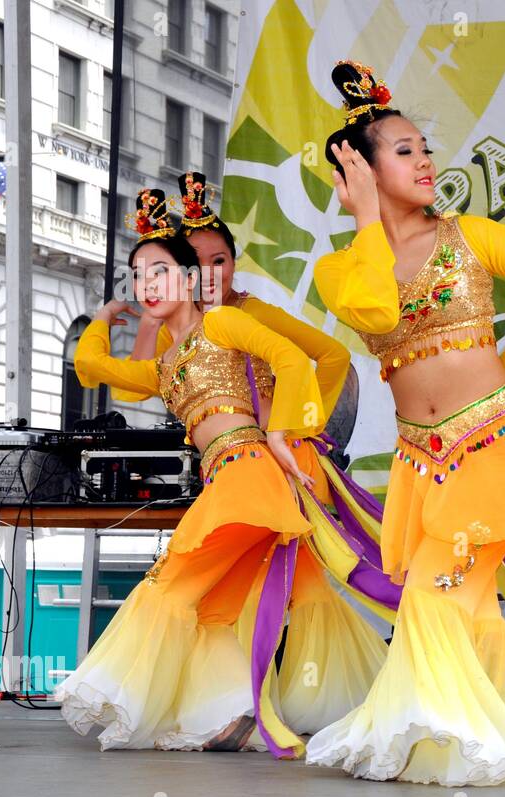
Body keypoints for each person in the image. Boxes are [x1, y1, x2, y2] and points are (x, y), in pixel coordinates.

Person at [303, 60, 505, 785]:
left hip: (497, 442)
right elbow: (380, 312)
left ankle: (450, 738)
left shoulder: (471, 234)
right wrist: (362, 219)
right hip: (422, 460)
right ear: (358, 166)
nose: (425, 161)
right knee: (467, 603)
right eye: (404, 150)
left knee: (434, 595)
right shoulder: (342, 268)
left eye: (425, 147)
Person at [56, 189, 324, 756]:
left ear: (188, 277)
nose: (146, 284)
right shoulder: (166, 364)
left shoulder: (224, 324)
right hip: (227, 483)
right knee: (211, 609)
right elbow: (90, 366)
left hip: (250, 476)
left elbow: (294, 358)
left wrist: (280, 431)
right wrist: (104, 319)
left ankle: (135, 698)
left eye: (159, 271)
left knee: (168, 587)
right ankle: (233, 715)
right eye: (136, 275)